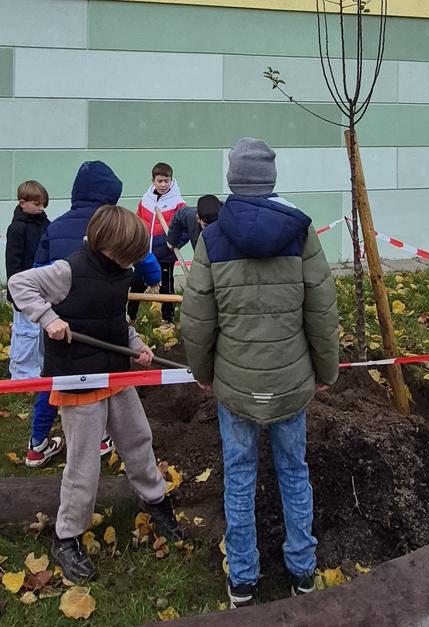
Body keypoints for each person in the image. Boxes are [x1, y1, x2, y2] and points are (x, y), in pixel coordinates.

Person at [181, 138, 339, 608]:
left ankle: (244, 581)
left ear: (232, 180)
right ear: (271, 179)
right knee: (294, 471)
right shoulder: (301, 232)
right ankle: (303, 572)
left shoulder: (211, 238)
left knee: (239, 475)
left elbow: (197, 318)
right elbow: (322, 310)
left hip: (236, 385)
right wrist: (326, 370)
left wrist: (202, 371)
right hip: (290, 384)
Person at [9, 204, 184, 584]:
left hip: (115, 371)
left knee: (138, 438)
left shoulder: (120, 272)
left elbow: (115, 319)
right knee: (85, 461)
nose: (131, 263)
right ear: (108, 247)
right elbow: (19, 284)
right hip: (79, 378)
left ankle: (155, 501)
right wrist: (49, 319)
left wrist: (136, 345)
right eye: (128, 255)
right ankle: (67, 535)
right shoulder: (68, 271)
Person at [26, 161, 161, 466]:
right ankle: (100, 438)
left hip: (58, 321)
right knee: (102, 377)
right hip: (97, 315)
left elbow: (37, 268)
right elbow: (143, 256)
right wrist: (153, 279)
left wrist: (47, 311)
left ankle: (37, 443)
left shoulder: (56, 226)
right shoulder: (115, 228)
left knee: (53, 379)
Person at [5, 180, 56, 465]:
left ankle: (39, 369)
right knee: (25, 333)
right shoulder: (17, 228)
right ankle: (22, 374)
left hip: (42, 289)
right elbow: (13, 263)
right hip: (23, 290)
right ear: (22, 202)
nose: (39, 208)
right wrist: (16, 292)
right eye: (35, 204)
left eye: (42, 204)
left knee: (40, 333)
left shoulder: (45, 224)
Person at [131, 162, 186, 323]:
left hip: (165, 255)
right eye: (159, 181)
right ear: (153, 181)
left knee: (165, 288)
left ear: (171, 180)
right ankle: (131, 317)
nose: (163, 184)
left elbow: (185, 229)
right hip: (143, 254)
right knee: (136, 284)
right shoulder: (145, 200)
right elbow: (137, 222)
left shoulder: (178, 203)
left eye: (166, 181)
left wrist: (174, 243)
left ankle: (168, 319)